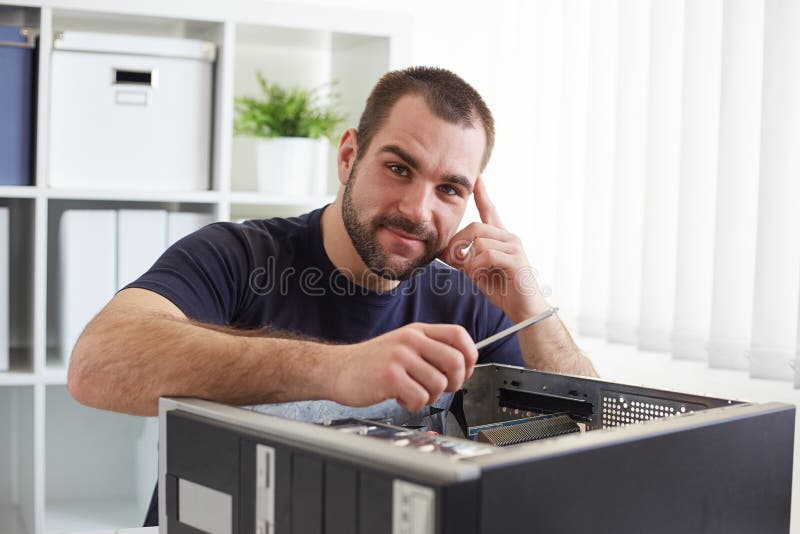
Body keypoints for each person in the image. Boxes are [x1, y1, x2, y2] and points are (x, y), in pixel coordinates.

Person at [67, 66, 597, 525]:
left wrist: (532, 309)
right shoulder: (238, 255)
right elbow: (97, 365)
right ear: (349, 157)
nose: (418, 209)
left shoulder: (473, 300)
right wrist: (338, 371)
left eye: (449, 189)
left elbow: (594, 451)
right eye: (398, 168)